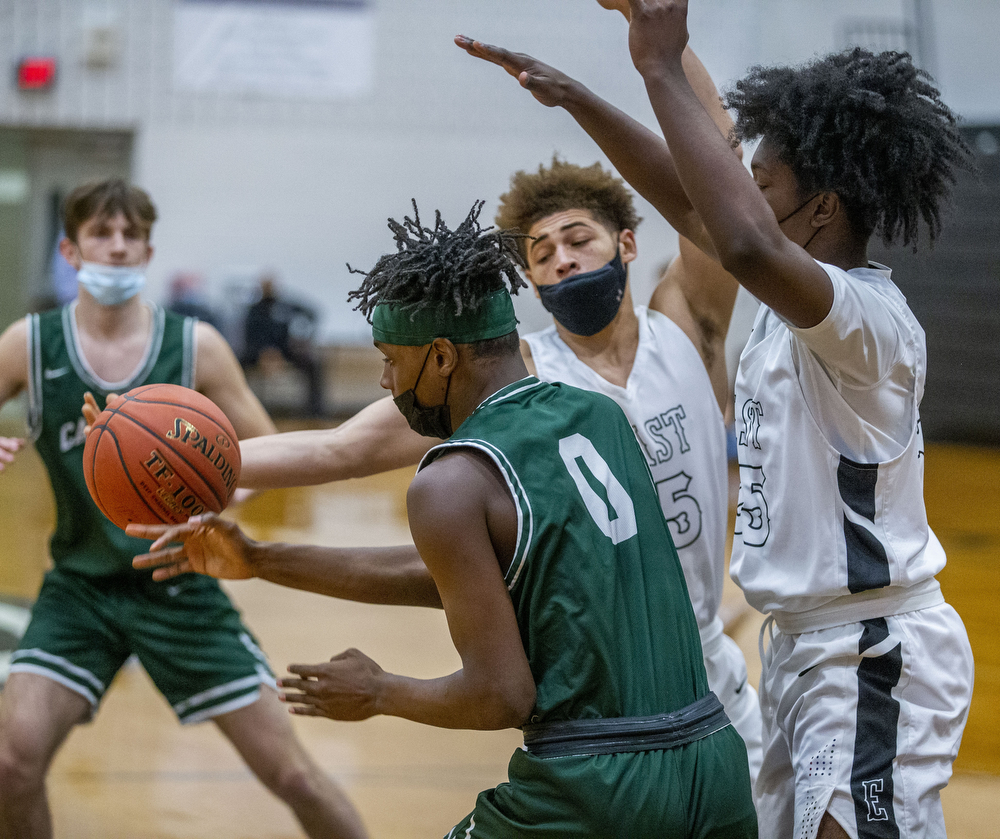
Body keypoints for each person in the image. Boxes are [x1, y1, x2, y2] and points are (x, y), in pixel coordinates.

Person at [458, 1, 975, 837]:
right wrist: (584, 96)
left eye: (761, 186)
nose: (738, 195)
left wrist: (663, 65)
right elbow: (702, 197)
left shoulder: (865, 319)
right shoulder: (786, 304)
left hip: (873, 648)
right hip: (799, 648)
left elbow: (737, 238)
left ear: (821, 209)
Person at [129, 201, 758, 837]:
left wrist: (379, 691)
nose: (383, 380)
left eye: (390, 359)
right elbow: (483, 577)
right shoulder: (600, 417)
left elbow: (501, 696)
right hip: (715, 762)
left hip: (595, 785)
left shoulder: (451, 482)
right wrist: (262, 559)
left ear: (440, 358)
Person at [230, 66, 766, 785]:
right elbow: (340, 446)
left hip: (715, 686)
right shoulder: (517, 378)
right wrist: (205, 458)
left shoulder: (686, 324)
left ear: (629, 245)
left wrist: (667, 53)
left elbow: (722, 177)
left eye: (578, 239)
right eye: (541, 254)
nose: (562, 258)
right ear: (529, 282)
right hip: (608, 706)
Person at [0, 179, 367, 839]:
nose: (116, 247)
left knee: (294, 775)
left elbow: (264, 449)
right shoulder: (29, 342)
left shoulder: (195, 346)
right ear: (70, 248)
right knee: (9, 761)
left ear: (147, 250)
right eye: (101, 234)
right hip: (79, 590)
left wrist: (212, 505)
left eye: (129, 236)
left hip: (181, 590)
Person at [241, 273, 325, 417]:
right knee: (235, 364)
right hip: (258, 352)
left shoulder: (285, 306)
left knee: (313, 363)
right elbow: (249, 336)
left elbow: (312, 313)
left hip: (285, 350)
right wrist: (263, 353)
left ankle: (314, 411)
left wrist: (306, 338)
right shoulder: (253, 310)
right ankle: (243, 409)